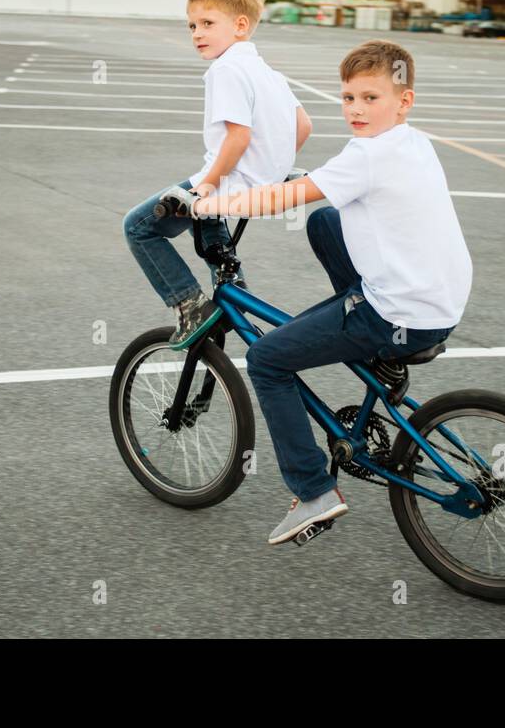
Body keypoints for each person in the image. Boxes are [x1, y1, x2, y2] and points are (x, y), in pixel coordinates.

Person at [192, 39, 473, 545]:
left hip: (396, 313)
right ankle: (378, 356)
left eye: (371, 98)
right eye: (347, 99)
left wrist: (209, 203)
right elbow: (324, 190)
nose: (356, 110)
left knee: (268, 359)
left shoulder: (365, 156)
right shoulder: (412, 142)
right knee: (325, 221)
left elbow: (281, 198)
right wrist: (305, 181)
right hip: (438, 301)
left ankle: (314, 492)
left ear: (403, 102)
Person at [123, 0, 312, 349]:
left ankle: (189, 305)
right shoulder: (268, 72)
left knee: (139, 227)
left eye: (208, 23)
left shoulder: (225, 69)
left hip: (232, 185)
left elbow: (238, 137)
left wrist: (209, 184)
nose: (197, 33)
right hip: (265, 186)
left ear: (241, 25)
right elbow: (303, 126)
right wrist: (273, 167)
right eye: (192, 25)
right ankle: (231, 281)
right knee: (201, 215)